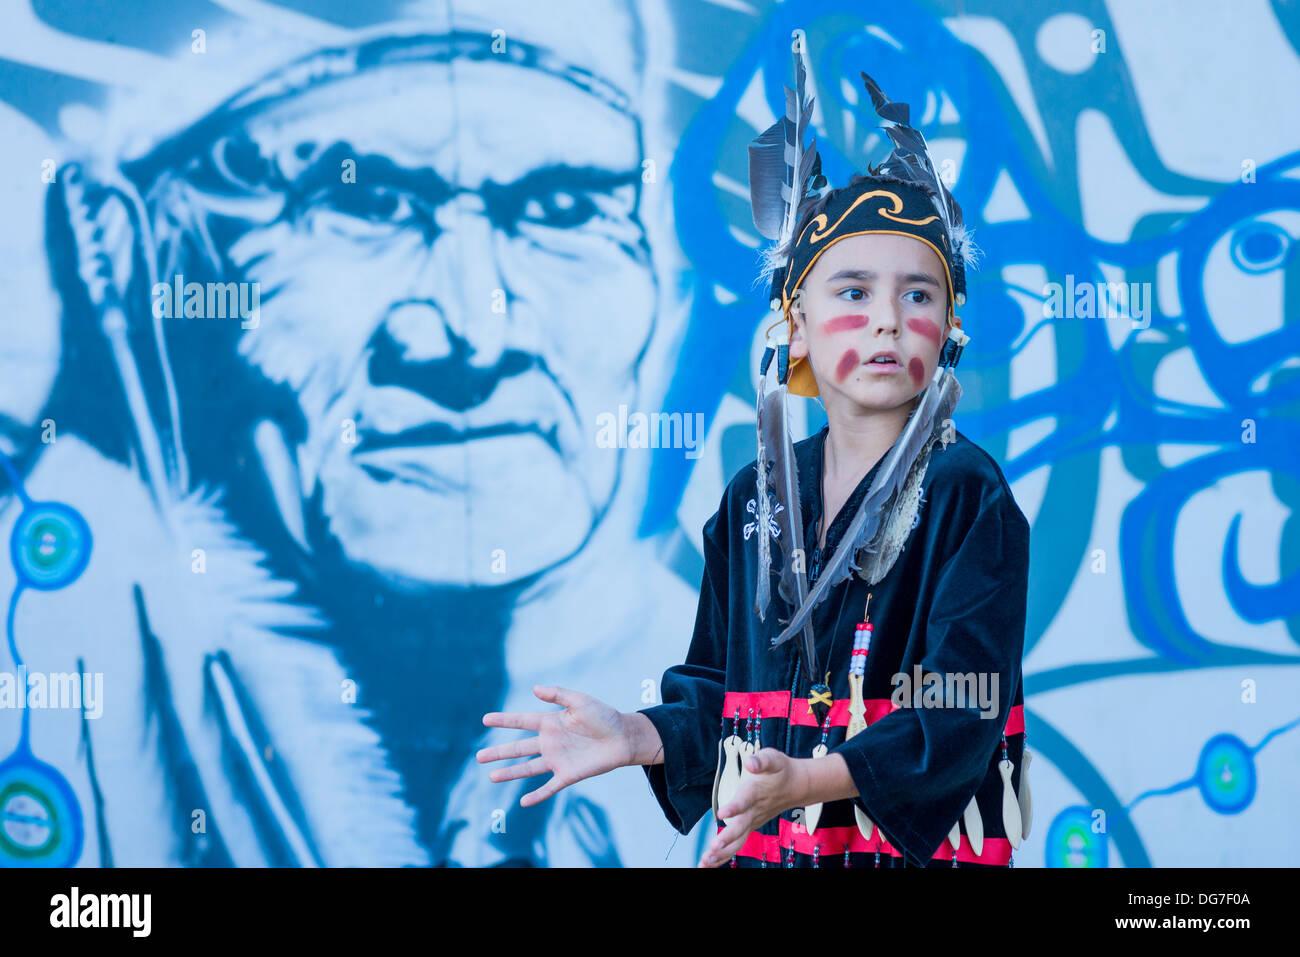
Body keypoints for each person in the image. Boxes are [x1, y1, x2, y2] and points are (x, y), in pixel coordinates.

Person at [478, 49, 1032, 868]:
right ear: (795, 327)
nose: (888, 318)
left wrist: (804, 781)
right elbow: (724, 693)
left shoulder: (964, 494)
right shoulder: (753, 500)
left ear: (950, 329)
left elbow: (963, 709)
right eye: (853, 291)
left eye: (919, 293)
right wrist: (638, 734)